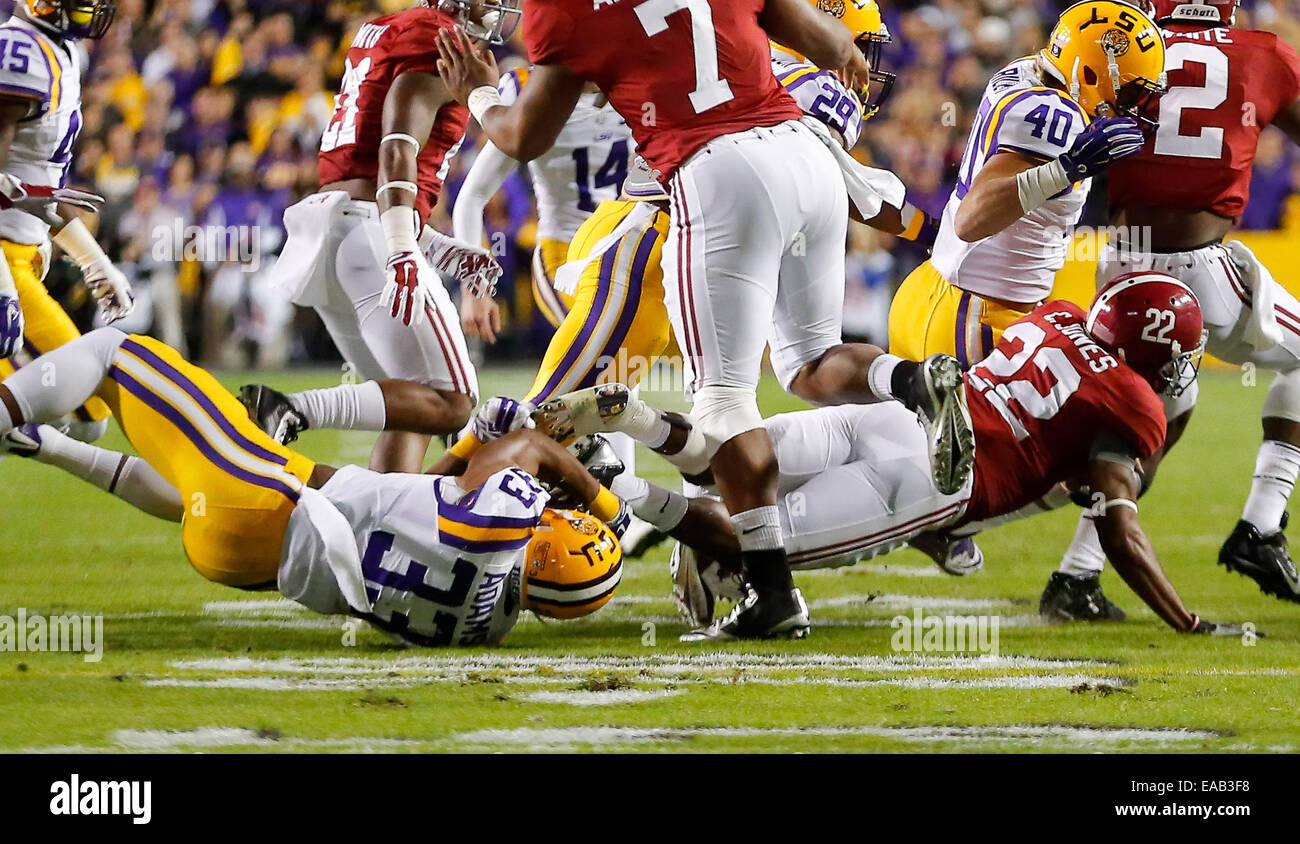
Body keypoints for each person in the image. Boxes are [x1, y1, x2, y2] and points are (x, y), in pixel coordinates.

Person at [435, 0, 973, 639]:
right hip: (800, 157)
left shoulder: (568, 11)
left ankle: (764, 588)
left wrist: (477, 91)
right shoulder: (823, 87)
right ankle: (912, 384)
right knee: (806, 362)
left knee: (715, 404)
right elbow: (833, 46)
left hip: (708, 180)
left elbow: (523, 135)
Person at [596, 272, 1250, 638]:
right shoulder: (1134, 400)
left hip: (906, 414)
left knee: (736, 455)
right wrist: (1187, 622)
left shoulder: (1057, 316)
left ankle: (639, 420)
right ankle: (616, 495)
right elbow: (1118, 526)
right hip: (940, 477)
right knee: (756, 542)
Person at [0, 328, 627, 646]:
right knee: (192, 491)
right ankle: (46, 445)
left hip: (264, 492)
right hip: (242, 558)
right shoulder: (485, 629)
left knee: (113, 351)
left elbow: (535, 446)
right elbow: (411, 505)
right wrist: (468, 449)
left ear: (554, 543)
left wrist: (606, 505)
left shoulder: (505, 522)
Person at [1045, 0, 1300, 612]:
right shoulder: (1263, 55)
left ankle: (1076, 576)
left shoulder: (1120, 44)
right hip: (1200, 267)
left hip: (1119, 261)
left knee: (1148, 428)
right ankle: (1262, 525)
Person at [259, 0, 505, 474]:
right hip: (374, 235)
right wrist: (401, 250)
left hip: (340, 226)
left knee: (409, 408)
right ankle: (290, 407)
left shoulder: (386, 29)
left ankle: (380, 540)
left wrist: (435, 245)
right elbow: (397, 147)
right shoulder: (439, 38)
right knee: (453, 402)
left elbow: (365, 163)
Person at [0, 0, 132, 443]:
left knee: (87, 414)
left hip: (24, 253)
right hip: (4, 254)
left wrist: (94, 261)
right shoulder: (19, 51)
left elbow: (40, 186)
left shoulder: (60, 50)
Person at [453, 69, 632, 337]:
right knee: (605, 348)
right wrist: (473, 287)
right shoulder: (528, 89)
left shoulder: (641, 79)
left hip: (631, 250)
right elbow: (473, 196)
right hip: (566, 252)